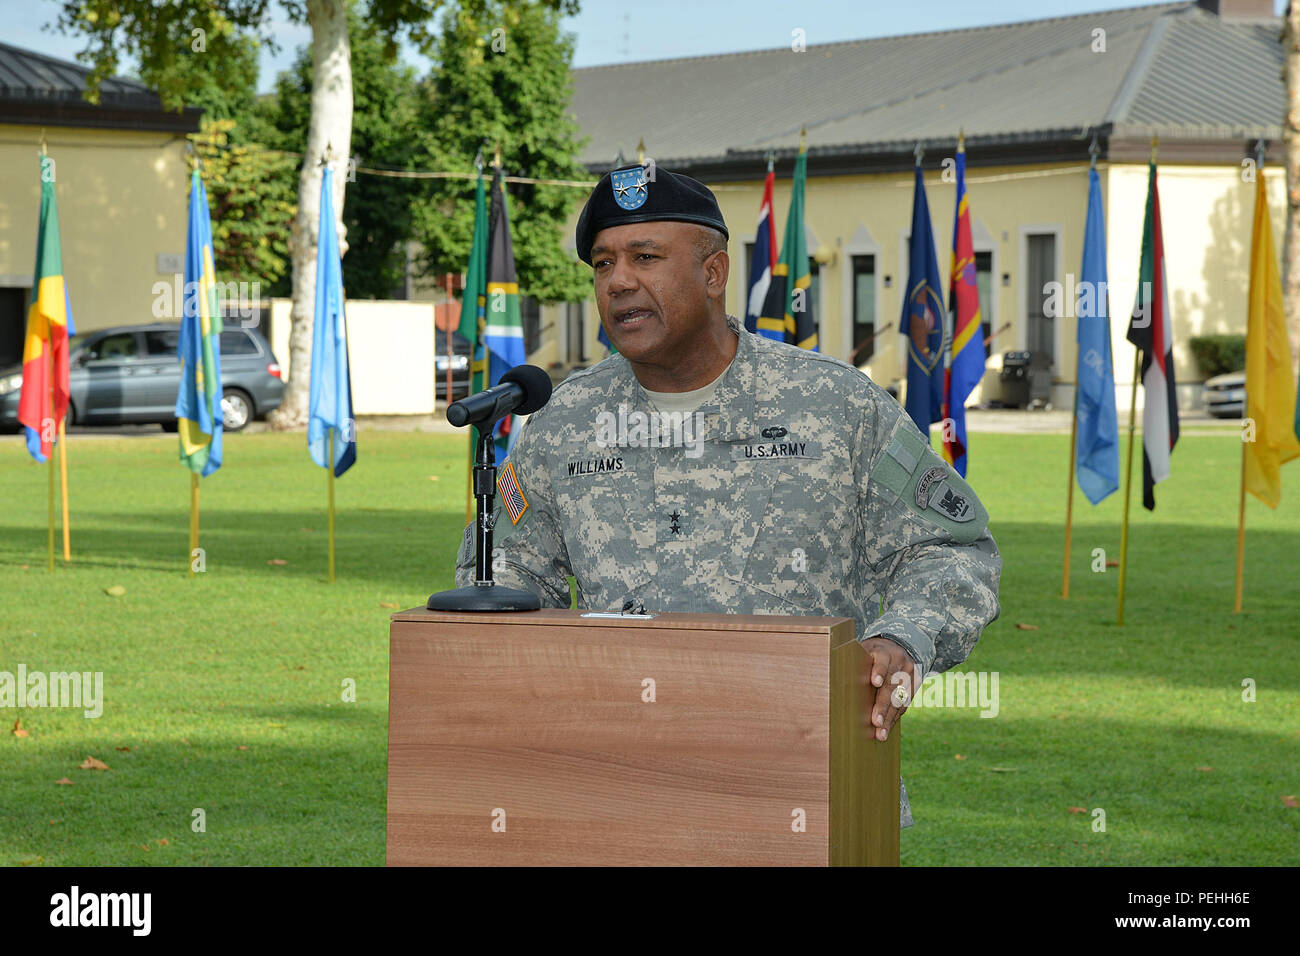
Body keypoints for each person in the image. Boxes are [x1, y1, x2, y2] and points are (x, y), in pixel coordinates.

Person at [455, 163, 1002, 828]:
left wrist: (903, 641)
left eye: (645, 257)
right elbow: (506, 581)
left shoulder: (835, 405)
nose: (619, 280)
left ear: (713, 274)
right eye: (603, 264)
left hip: (805, 787)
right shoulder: (565, 423)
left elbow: (953, 549)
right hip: (620, 796)